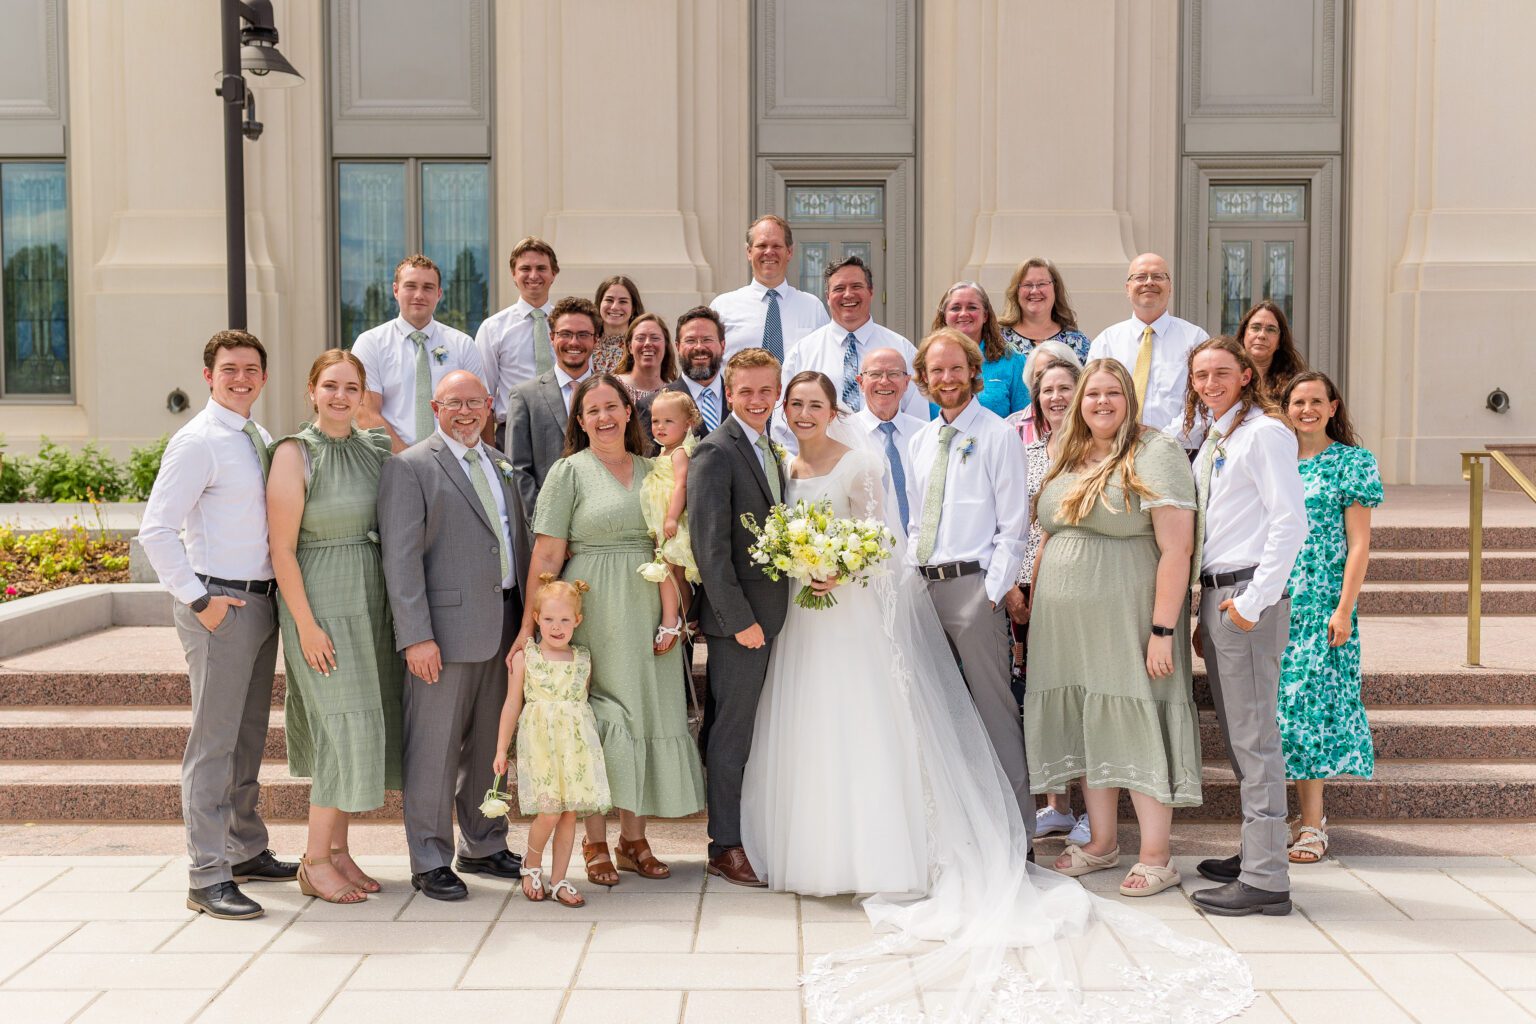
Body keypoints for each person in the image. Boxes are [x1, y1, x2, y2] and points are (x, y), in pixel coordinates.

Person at [518, 375, 706, 890]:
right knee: (595, 720)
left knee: (646, 711)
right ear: (580, 421)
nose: (603, 417)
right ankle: (595, 840)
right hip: (591, 609)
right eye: (591, 410)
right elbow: (548, 555)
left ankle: (634, 839)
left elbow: (675, 544)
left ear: (629, 411)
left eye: (611, 407)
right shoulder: (568, 472)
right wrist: (529, 627)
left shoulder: (656, 469)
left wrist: (675, 615)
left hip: (652, 607)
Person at [742, 372, 927, 896]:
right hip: (799, 619)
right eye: (795, 404)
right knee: (804, 720)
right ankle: (810, 853)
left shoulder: (861, 465)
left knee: (853, 717)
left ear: (834, 411)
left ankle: (870, 857)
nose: (804, 414)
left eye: (815, 405)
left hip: (847, 614)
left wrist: (839, 570)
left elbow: (881, 541)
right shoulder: (784, 466)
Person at [1026, 359, 1200, 897]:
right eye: (1092, 394)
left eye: (1112, 393)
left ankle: (1157, 854)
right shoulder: (1068, 452)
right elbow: (1053, 533)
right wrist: (1032, 604)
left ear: (1129, 398)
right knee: (1086, 720)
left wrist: (1163, 630)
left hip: (1127, 616)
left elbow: (1177, 547)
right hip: (1063, 623)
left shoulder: (1156, 451)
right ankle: (1102, 843)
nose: (1101, 403)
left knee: (1133, 718)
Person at [140, 329, 295, 921]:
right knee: (213, 743)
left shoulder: (255, 434)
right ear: (209, 375)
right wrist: (200, 601)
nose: (241, 378)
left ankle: (245, 848)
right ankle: (206, 876)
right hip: (220, 606)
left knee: (247, 737)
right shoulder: (198, 441)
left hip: (260, 604)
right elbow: (156, 530)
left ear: (263, 375)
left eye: (251, 368)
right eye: (229, 368)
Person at [378, 370, 531, 902]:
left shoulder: (501, 464)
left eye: (475, 403)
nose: (466, 413)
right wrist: (416, 636)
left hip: (505, 627)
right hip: (442, 634)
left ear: (490, 406)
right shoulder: (411, 466)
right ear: (434, 407)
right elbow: (401, 560)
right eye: (453, 404)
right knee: (435, 749)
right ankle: (428, 855)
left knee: (493, 746)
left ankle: (485, 842)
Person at [266, 350, 403, 905]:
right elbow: (281, 550)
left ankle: (341, 851)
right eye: (331, 386)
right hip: (320, 601)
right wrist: (306, 625)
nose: (341, 396)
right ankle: (314, 859)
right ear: (311, 391)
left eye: (352, 387)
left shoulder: (374, 449)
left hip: (370, 599)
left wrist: (379, 421)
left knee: (364, 726)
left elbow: (424, 468)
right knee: (340, 729)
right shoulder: (295, 454)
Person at [1183, 336, 1307, 917]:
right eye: (1201, 375)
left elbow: (1290, 522)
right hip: (1218, 596)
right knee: (1239, 735)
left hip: (1246, 594)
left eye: (1221, 373)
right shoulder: (1217, 435)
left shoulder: (1265, 434)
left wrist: (1254, 602)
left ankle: (1266, 879)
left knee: (1255, 739)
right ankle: (1255, 850)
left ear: (1246, 377)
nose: (1210, 383)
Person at [905, 328, 1033, 833]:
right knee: (936, 712)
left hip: (974, 589)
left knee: (995, 711)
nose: (947, 378)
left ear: (974, 372)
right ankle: (957, 829)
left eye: (956, 367)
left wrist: (991, 592)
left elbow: (1013, 526)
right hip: (926, 589)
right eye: (936, 370)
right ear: (925, 378)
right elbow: (917, 520)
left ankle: (1017, 833)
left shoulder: (997, 435)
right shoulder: (920, 440)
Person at [688, 348, 793, 886]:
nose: (756, 400)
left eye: (764, 390)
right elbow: (710, 549)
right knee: (730, 733)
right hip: (741, 624)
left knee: (754, 730)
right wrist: (737, 620)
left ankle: (749, 831)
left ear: (777, 393)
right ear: (729, 393)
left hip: (774, 616)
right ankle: (723, 845)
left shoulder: (770, 449)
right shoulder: (715, 451)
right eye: (745, 391)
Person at [1278, 371, 1382, 864]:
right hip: (1276, 598)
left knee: (1307, 711)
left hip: (1322, 602)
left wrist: (1344, 608)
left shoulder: (1352, 463)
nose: (1306, 410)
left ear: (1333, 407)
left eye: (1316, 401)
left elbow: (1359, 544)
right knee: (1276, 712)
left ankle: (1314, 824)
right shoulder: (1276, 461)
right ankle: (1282, 819)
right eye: (1298, 402)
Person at [493, 574, 610, 909]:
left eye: (564, 620)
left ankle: (559, 879)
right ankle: (531, 864)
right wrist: (502, 749)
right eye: (548, 619)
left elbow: (580, 707)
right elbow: (512, 704)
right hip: (541, 748)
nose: (556, 627)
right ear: (536, 619)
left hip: (574, 749)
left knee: (570, 814)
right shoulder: (525, 658)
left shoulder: (583, 659)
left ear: (577, 621)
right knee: (548, 812)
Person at [1005, 355, 1085, 842]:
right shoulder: (1027, 452)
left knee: (1077, 693)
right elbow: (1012, 522)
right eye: (1046, 389)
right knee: (1040, 695)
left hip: (1075, 585)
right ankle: (1056, 803)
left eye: (1064, 388)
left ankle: (1092, 809)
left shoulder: (1094, 453)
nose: (1055, 397)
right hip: (1029, 590)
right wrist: (1014, 586)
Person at [353, 254, 485, 453]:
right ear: (396, 290)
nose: (419, 295)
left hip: (454, 462)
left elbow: (479, 410)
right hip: (392, 460)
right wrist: (411, 461)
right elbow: (366, 414)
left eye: (428, 287)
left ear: (439, 294)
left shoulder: (463, 344)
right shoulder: (370, 344)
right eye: (411, 286)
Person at [779, 254, 922, 422]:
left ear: (871, 292)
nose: (848, 294)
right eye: (839, 289)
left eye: (856, 286)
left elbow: (918, 420)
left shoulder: (902, 349)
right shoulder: (801, 353)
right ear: (828, 296)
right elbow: (783, 423)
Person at [1088, 252, 1209, 449]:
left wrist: (1161, 441)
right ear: (1128, 289)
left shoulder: (1195, 339)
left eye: (1158, 276)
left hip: (1179, 452)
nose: (1149, 282)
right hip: (1116, 450)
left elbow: (1204, 402)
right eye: (1140, 277)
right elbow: (1091, 400)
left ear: (1170, 288)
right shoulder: (1106, 342)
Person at [505, 296, 598, 525]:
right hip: (546, 529)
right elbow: (518, 471)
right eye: (565, 334)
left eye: (583, 334)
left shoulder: (613, 393)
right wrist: (547, 527)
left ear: (596, 340)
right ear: (552, 337)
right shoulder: (525, 396)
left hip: (603, 529)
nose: (573, 342)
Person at [475, 237, 560, 447]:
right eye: (525, 269)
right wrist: (490, 450)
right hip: (513, 434)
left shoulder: (568, 325)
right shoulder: (493, 328)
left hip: (564, 432)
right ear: (514, 275)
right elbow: (484, 395)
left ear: (553, 274)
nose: (533, 275)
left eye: (541, 268)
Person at [710, 214, 829, 360]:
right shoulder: (722, 307)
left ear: (789, 252)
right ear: (749, 252)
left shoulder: (812, 307)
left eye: (776, 246)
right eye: (761, 245)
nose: (769, 252)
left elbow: (825, 359)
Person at [639, 389, 702, 652]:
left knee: (666, 570)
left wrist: (672, 517)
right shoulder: (664, 451)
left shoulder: (679, 453)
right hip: (663, 519)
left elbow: (682, 486)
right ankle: (686, 616)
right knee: (678, 573)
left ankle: (670, 619)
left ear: (687, 424)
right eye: (655, 421)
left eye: (668, 421)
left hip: (672, 520)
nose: (660, 427)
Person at [850, 347, 926, 536]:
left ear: (907, 382)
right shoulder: (843, 434)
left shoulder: (926, 434)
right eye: (875, 374)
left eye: (894, 374)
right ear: (860, 382)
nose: (884, 381)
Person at [929, 282, 1030, 419]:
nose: (963, 313)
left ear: (985, 316)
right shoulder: (928, 360)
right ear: (944, 316)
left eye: (972, 307)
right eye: (955, 308)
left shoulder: (1012, 360)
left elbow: (1025, 420)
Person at [647, 306, 728, 441]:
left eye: (707, 339)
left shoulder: (743, 400)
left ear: (723, 345)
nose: (699, 347)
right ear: (677, 347)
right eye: (690, 340)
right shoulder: (652, 405)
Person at [998, 257, 1092, 362]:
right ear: (1017, 291)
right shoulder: (997, 340)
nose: (1034, 291)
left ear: (1055, 289)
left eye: (1042, 284)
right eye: (1027, 285)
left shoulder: (1078, 342)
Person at [1012, 339, 1082, 444]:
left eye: (1058, 373)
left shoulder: (1093, 423)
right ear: (1030, 379)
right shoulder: (1012, 427)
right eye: (1040, 375)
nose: (1048, 378)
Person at [1238, 300, 1306, 397]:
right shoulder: (1226, 377)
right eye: (1255, 327)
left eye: (1271, 329)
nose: (1262, 335)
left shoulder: (1295, 386)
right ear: (1243, 335)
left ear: (1280, 341)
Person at [614, 312, 678, 404]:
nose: (647, 343)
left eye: (655, 338)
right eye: (640, 338)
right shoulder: (612, 387)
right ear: (630, 347)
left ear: (665, 345)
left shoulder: (674, 394)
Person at [593, 275, 645, 377]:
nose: (615, 307)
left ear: (633, 308)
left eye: (623, 301)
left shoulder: (640, 346)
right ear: (599, 304)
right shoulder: (587, 343)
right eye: (609, 300)